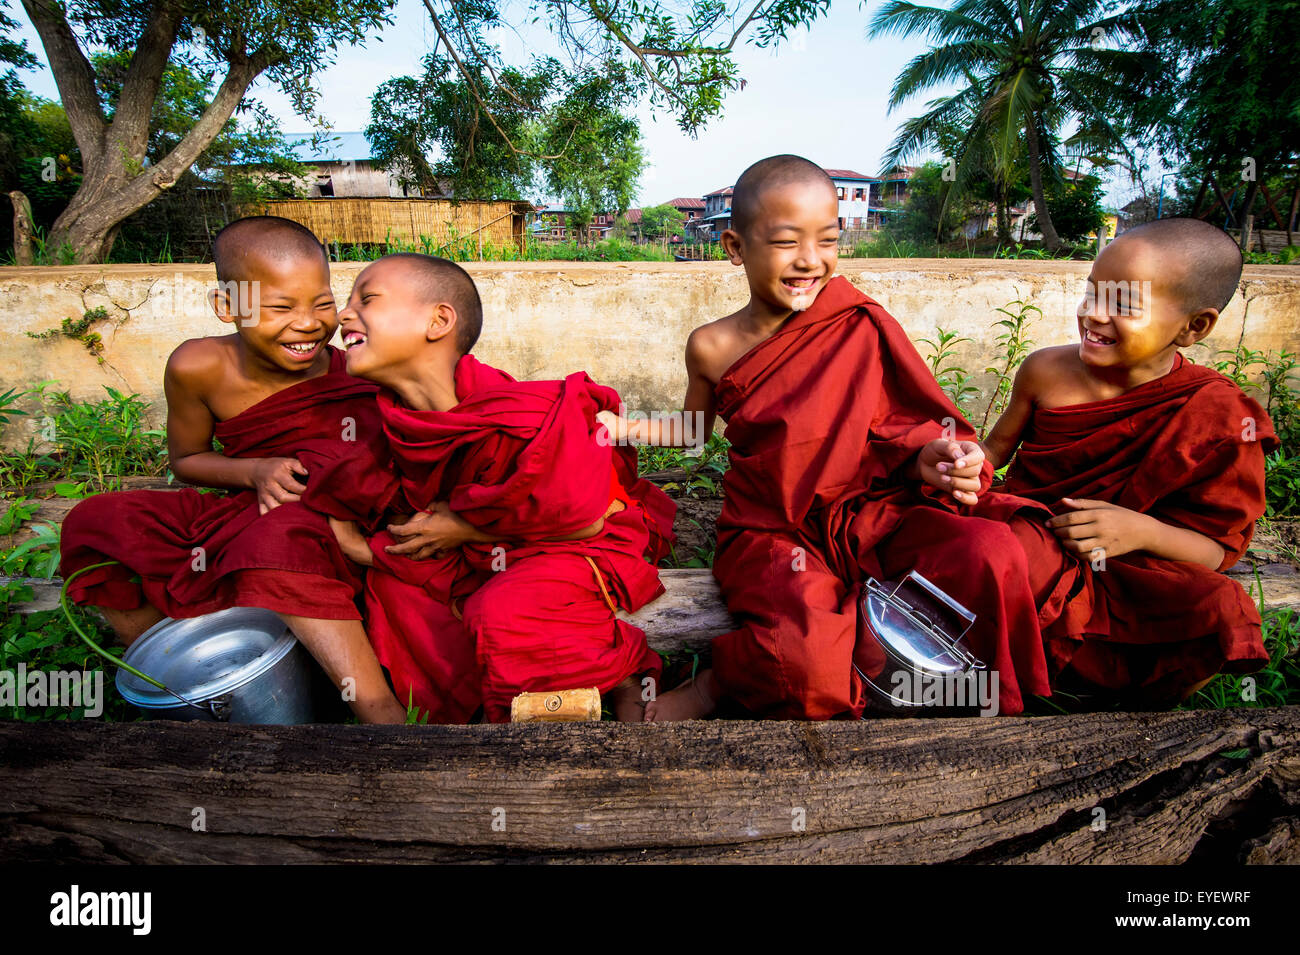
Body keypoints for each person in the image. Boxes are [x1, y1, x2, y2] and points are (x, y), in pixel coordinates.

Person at [602, 155, 1058, 721]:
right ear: (735, 247)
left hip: (871, 512)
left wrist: (933, 459)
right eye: (787, 242)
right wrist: (623, 427)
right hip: (773, 528)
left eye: (828, 240)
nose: (811, 261)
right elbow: (694, 432)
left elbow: (903, 427)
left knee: (989, 551)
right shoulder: (712, 346)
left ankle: (953, 693)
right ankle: (713, 688)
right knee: (808, 664)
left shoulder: (858, 322)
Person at [59, 216, 407, 724]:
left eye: (323, 303)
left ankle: (382, 714)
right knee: (99, 521)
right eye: (281, 308)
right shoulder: (197, 367)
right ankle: (180, 671)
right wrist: (253, 472)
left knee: (277, 542)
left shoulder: (357, 366)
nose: (307, 323)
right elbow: (186, 461)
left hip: (322, 514)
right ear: (228, 306)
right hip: (249, 501)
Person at [327, 253, 675, 723]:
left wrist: (466, 529)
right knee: (400, 598)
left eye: (366, 299)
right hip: (497, 545)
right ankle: (484, 701)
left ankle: (622, 672)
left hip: (588, 538)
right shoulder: (392, 418)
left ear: (439, 321)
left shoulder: (520, 411)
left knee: (502, 611)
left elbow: (585, 516)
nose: (343, 313)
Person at [982, 217, 1277, 702]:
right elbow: (995, 454)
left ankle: (1130, 713)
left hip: (1131, 568)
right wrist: (968, 463)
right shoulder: (1044, 371)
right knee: (999, 547)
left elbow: (1217, 550)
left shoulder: (1216, 414)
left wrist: (1139, 531)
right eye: (1093, 293)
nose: (1095, 315)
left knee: (1222, 609)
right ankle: (1025, 679)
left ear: (1194, 326)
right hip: (1037, 539)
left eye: (1123, 304)